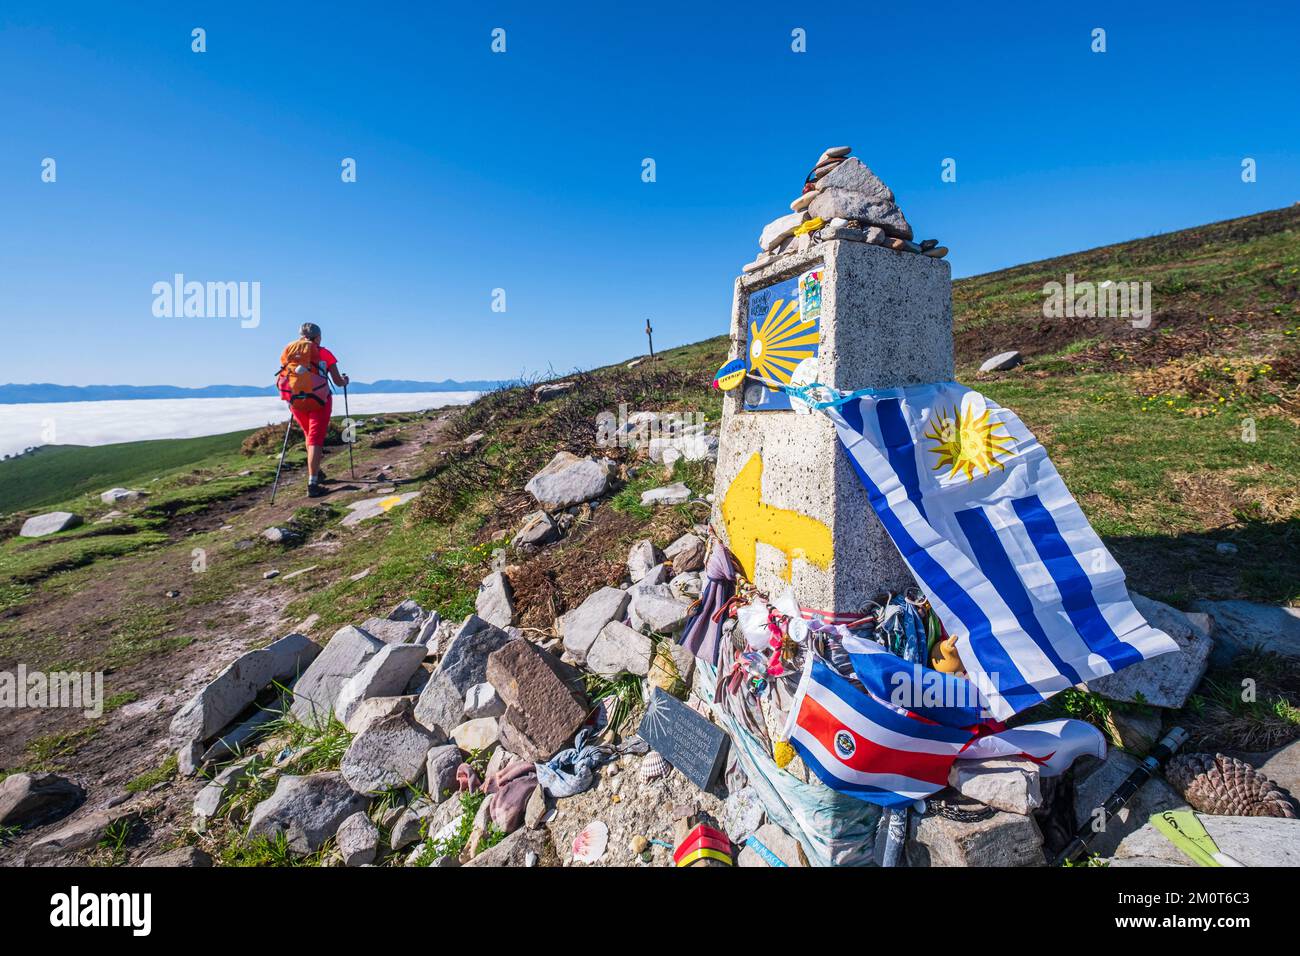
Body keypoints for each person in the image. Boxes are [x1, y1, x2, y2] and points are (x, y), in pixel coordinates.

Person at [278, 322, 348, 498]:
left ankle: (317, 472)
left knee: (309, 436)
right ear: (318, 337)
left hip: (295, 401)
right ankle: (313, 483)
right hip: (320, 400)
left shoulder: (289, 351)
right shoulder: (324, 352)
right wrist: (345, 381)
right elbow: (338, 381)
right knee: (316, 439)